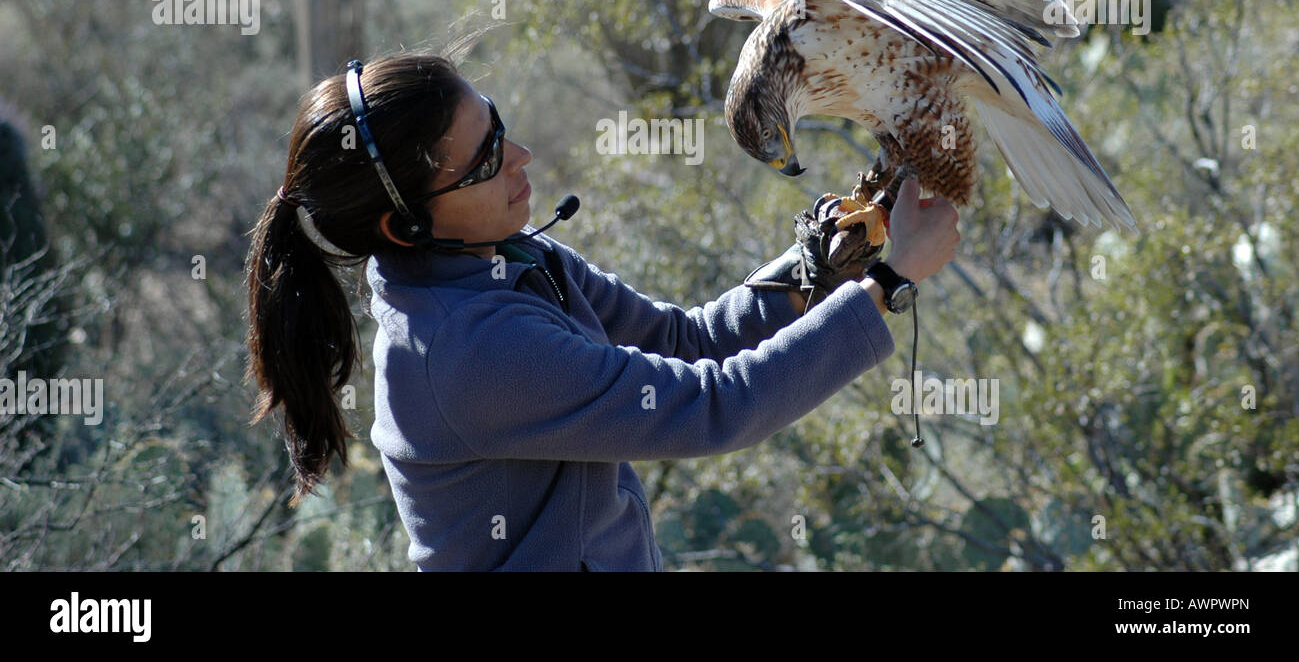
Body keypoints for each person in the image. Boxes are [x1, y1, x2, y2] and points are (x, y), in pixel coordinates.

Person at [245, 51, 960, 571]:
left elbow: (689, 340)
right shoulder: (467, 352)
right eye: (487, 159)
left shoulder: (511, 258)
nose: (521, 155)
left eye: (497, 126)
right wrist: (889, 282)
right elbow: (716, 405)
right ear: (406, 227)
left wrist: (816, 266)